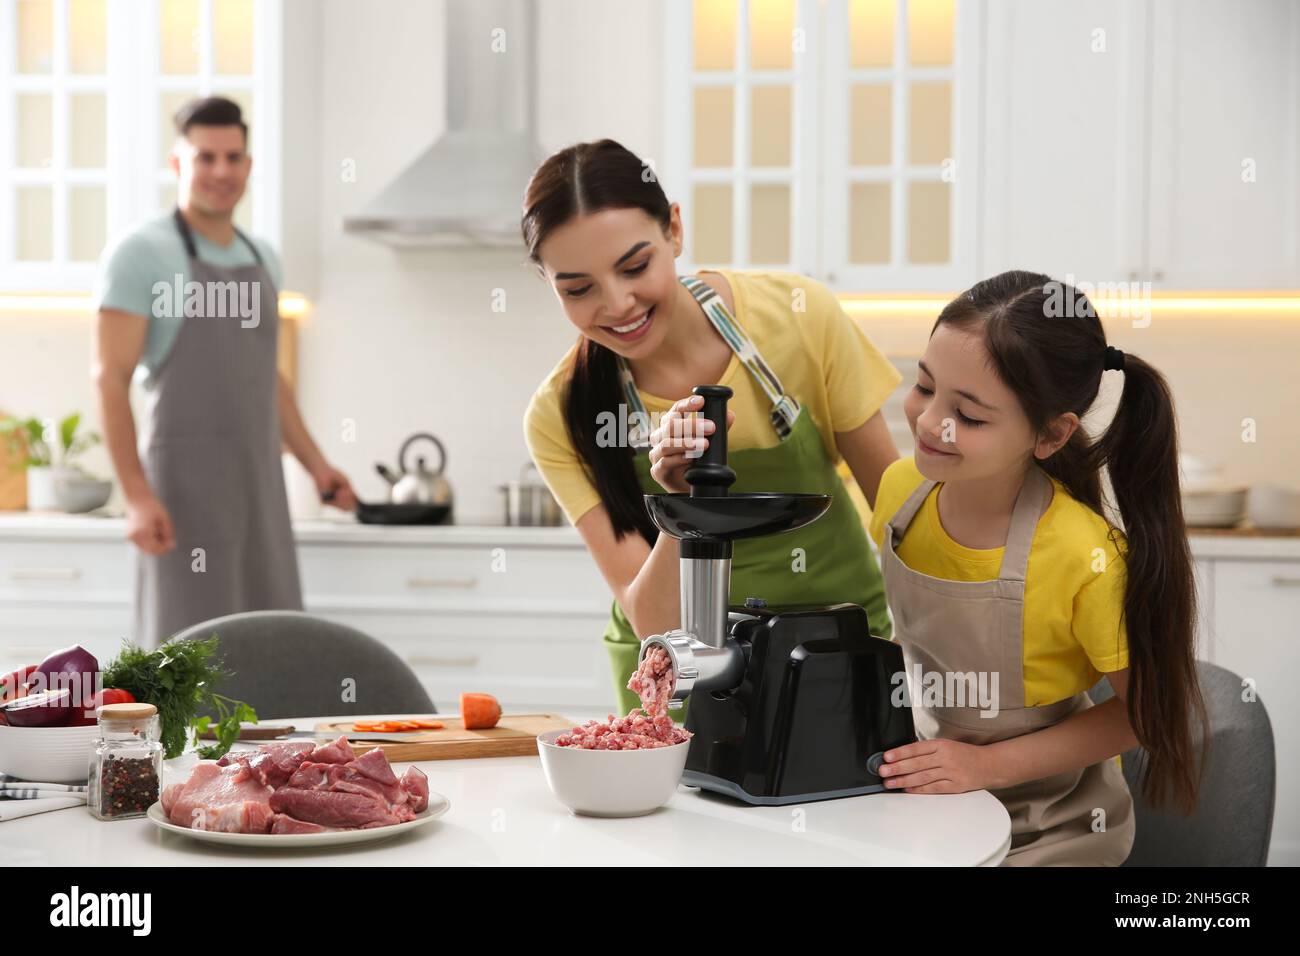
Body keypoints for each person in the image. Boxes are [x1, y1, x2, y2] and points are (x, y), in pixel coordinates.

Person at [522, 139, 902, 714]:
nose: (619, 303)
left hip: (837, 651)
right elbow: (653, 621)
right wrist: (682, 511)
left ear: (674, 229)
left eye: (635, 266)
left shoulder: (798, 317)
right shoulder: (561, 413)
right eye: (578, 289)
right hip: (676, 681)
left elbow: (903, 519)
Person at [869, 270, 1208, 865]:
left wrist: (983, 765)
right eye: (924, 387)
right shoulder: (902, 492)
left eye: (968, 417)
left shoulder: (1085, 557)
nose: (927, 423)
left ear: (1051, 434)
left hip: (1054, 826)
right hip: (934, 801)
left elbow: (1147, 715)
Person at [92, 96, 356, 648]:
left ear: (248, 165)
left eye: (233, 157)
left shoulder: (264, 257)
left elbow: (268, 378)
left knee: (273, 646)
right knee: (188, 654)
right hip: (183, 493)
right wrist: (137, 496)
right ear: (177, 165)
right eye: (205, 157)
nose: (221, 171)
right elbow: (109, 378)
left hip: (259, 485)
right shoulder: (141, 254)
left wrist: (317, 465)